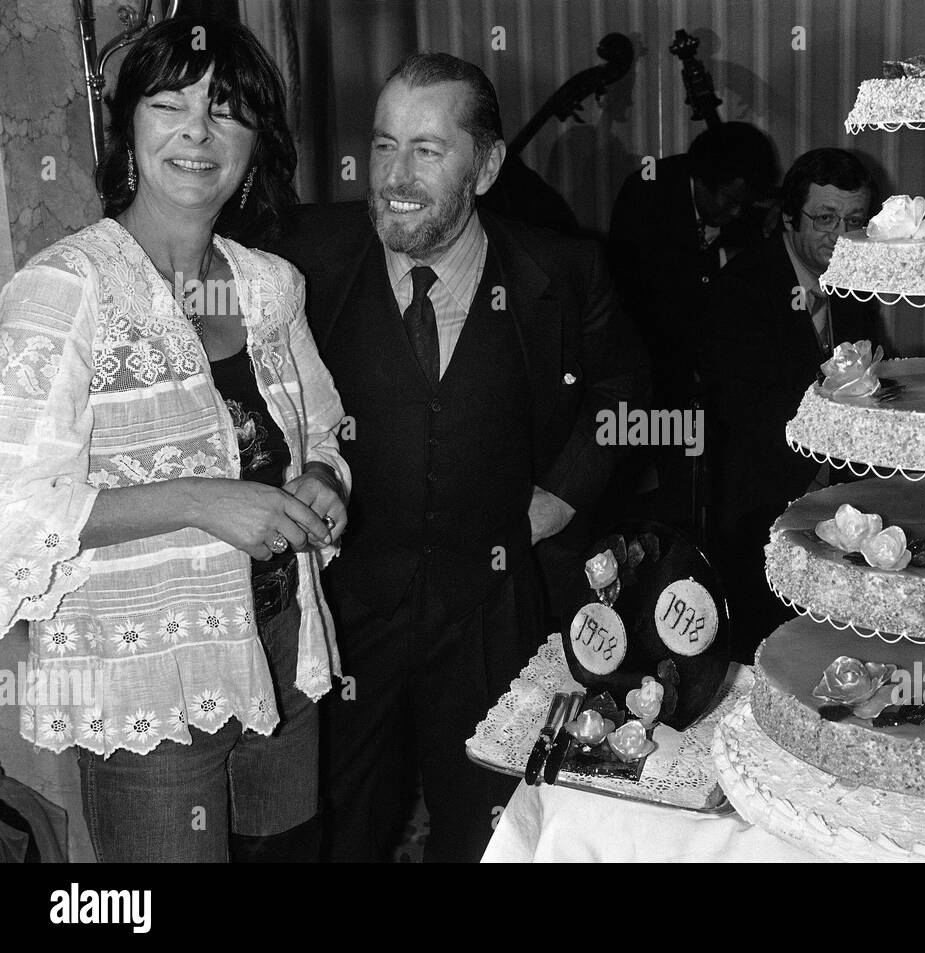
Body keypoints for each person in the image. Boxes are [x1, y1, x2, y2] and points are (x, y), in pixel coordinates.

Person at [268, 53, 650, 863]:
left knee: (491, 828)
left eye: (427, 150)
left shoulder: (563, 272)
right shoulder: (303, 256)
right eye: (382, 145)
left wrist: (564, 491)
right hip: (346, 615)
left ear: (487, 165)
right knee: (336, 829)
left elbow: (629, 390)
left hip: (494, 611)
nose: (395, 176)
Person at [0, 17, 350, 863]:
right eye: (170, 104)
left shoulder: (268, 286)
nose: (198, 130)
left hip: (281, 644)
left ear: (255, 143)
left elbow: (330, 426)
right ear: (130, 130)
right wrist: (202, 503)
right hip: (152, 674)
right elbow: (15, 505)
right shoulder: (67, 288)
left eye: (227, 111)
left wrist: (324, 480)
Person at [704, 148, 880, 661]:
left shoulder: (855, 279)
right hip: (761, 503)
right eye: (824, 218)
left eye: (854, 221)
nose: (840, 235)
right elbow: (747, 414)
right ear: (787, 216)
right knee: (779, 660)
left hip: (838, 493)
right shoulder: (741, 289)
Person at [608, 123, 777, 531]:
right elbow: (639, 301)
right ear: (699, 181)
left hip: (713, 349)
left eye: (745, 203)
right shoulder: (646, 196)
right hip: (651, 350)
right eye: (732, 202)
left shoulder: (741, 200)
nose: (738, 213)